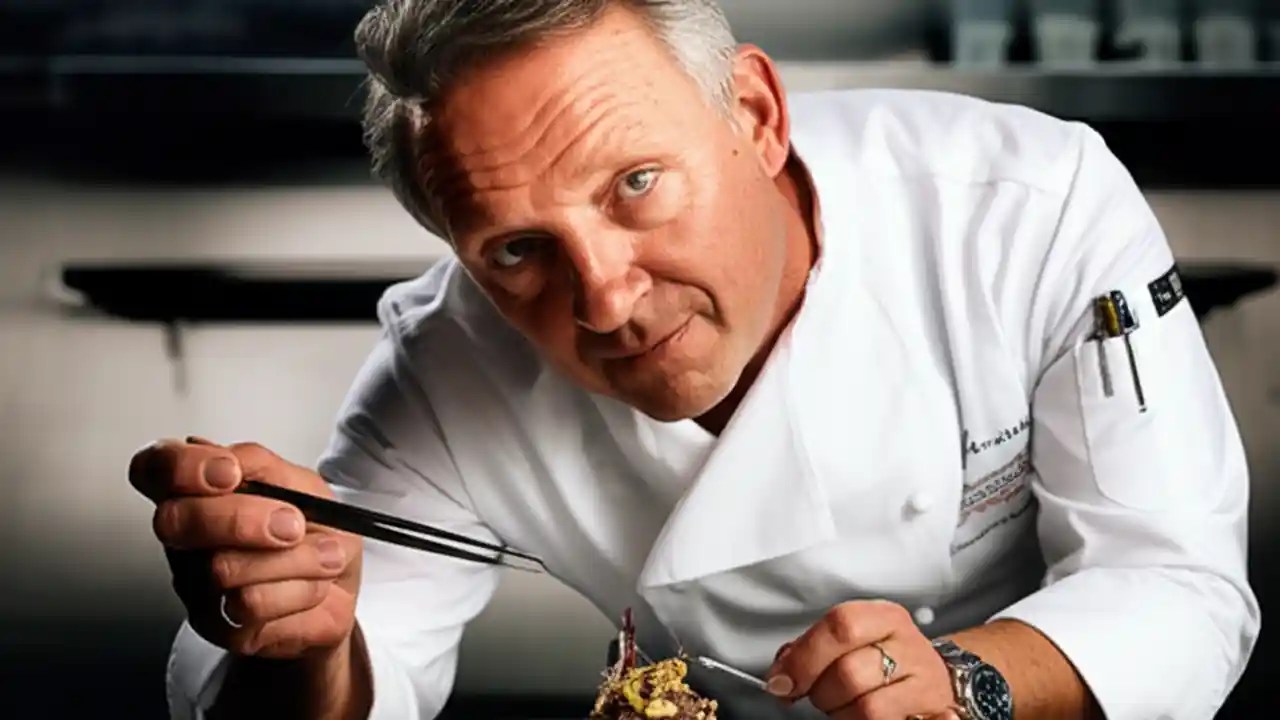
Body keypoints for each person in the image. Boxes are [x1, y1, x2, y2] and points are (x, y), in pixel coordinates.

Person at [129, 1, 1260, 718]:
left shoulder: (1023, 204)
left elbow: (1176, 584)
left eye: (635, 185)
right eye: (518, 251)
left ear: (757, 115)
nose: (607, 298)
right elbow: (342, 684)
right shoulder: (447, 370)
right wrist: (293, 638)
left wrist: (965, 686)